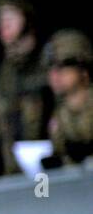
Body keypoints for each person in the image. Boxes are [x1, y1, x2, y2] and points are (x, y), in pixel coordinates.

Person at [0, 0, 51, 177]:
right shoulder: (5, 71)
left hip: (49, 173)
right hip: (14, 173)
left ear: (26, 17)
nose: (4, 24)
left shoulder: (48, 62)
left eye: (10, 16)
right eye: (1, 17)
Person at [40, 29, 93, 168]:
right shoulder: (60, 113)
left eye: (62, 68)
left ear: (82, 69)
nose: (54, 75)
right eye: (50, 69)